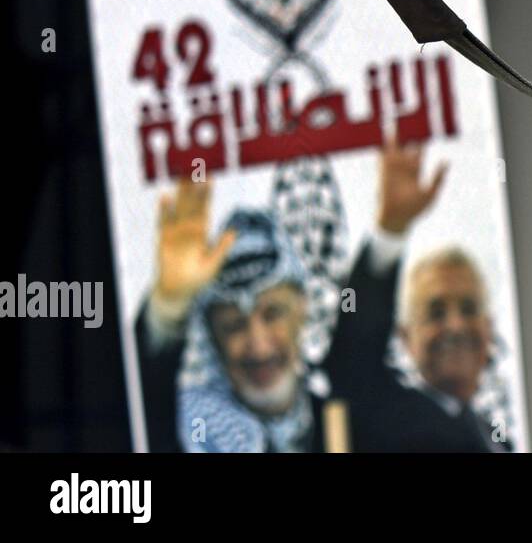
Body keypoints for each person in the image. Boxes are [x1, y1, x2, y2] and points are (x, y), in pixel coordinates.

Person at [132, 140, 458, 452]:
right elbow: (143, 405)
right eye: (233, 325)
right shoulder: (197, 436)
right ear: (212, 338)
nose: (258, 344)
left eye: (272, 313)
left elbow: (358, 357)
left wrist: (390, 231)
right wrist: (170, 306)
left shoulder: (344, 414)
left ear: (301, 310)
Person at [333, 245, 506, 452]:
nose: (456, 326)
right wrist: (388, 236)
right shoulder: (386, 423)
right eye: (436, 313)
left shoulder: (493, 437)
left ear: (489, 328)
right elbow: (353, 352)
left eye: (469, 309)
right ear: (406, 337)